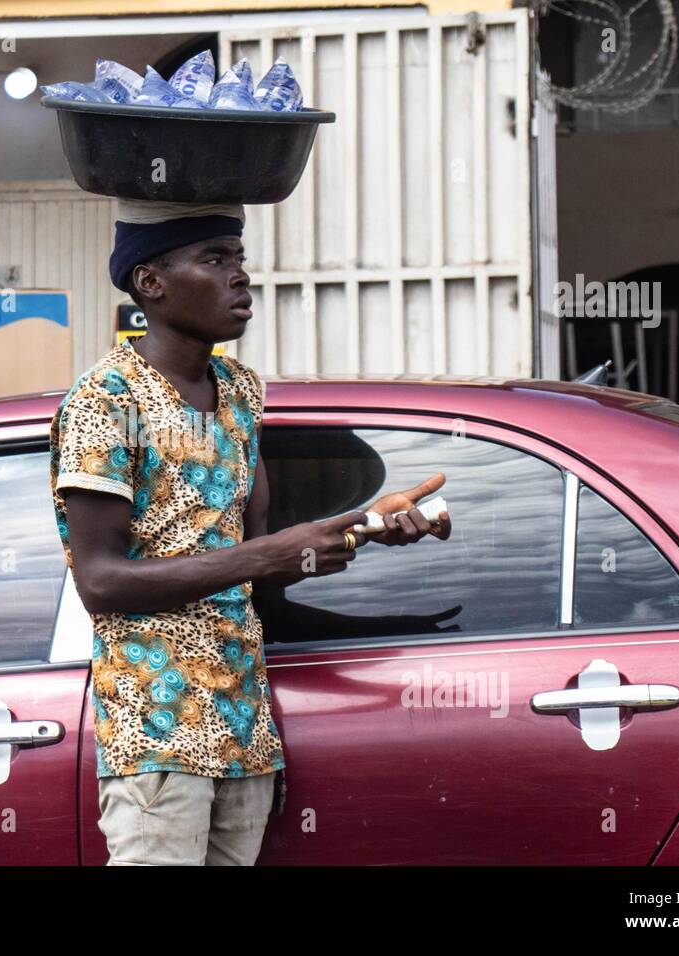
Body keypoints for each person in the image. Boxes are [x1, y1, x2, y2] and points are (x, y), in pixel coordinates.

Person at [49, 199, 452, 866]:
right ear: (151, 282)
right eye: (215, 259)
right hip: (159, 734)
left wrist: (365, 531)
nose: (240, 276)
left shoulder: (238, 391)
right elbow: (100, 581)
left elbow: (256, 572)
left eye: (238, 258)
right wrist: (269, 551)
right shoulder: (106, 400)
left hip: (243, 730)